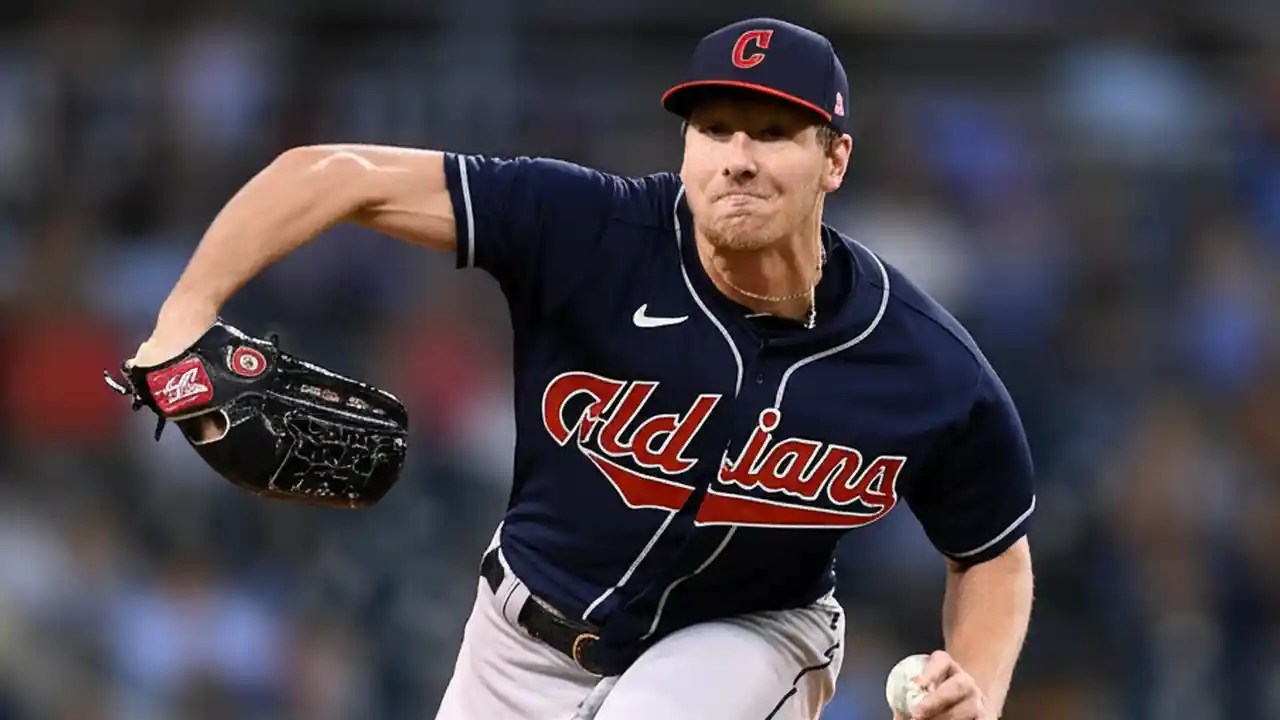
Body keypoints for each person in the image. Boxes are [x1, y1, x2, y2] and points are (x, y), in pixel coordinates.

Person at [128, 17, 1035, 720]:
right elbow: (329, 172)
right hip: (517, 637)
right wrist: (185, 313)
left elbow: (993, 554)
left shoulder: (918, 359)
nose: (739, 159)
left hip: (748, 635)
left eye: (773, 132)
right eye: (714, 128)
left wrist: (980, 693)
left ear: (833, 158)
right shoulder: (592, 230)